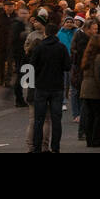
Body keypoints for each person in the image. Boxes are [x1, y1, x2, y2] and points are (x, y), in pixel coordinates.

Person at [29, 19, 71, 154]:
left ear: (45, 33)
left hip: (41, 86)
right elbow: (67, 66)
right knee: (56, 120)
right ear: (56, 33)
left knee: (39, 119)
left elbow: (32, 66)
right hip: (57, 87)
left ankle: (37, 147)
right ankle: (55, 147)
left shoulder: (39, 48)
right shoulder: (61, 48)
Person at [79, 32, 100, 147]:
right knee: (99, 115)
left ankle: (90, 139)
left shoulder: (88, 57)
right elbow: (98, 76)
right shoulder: (99, 58)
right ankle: (96, 139)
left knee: (90, 116)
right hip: (94, 90)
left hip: (86, 89)